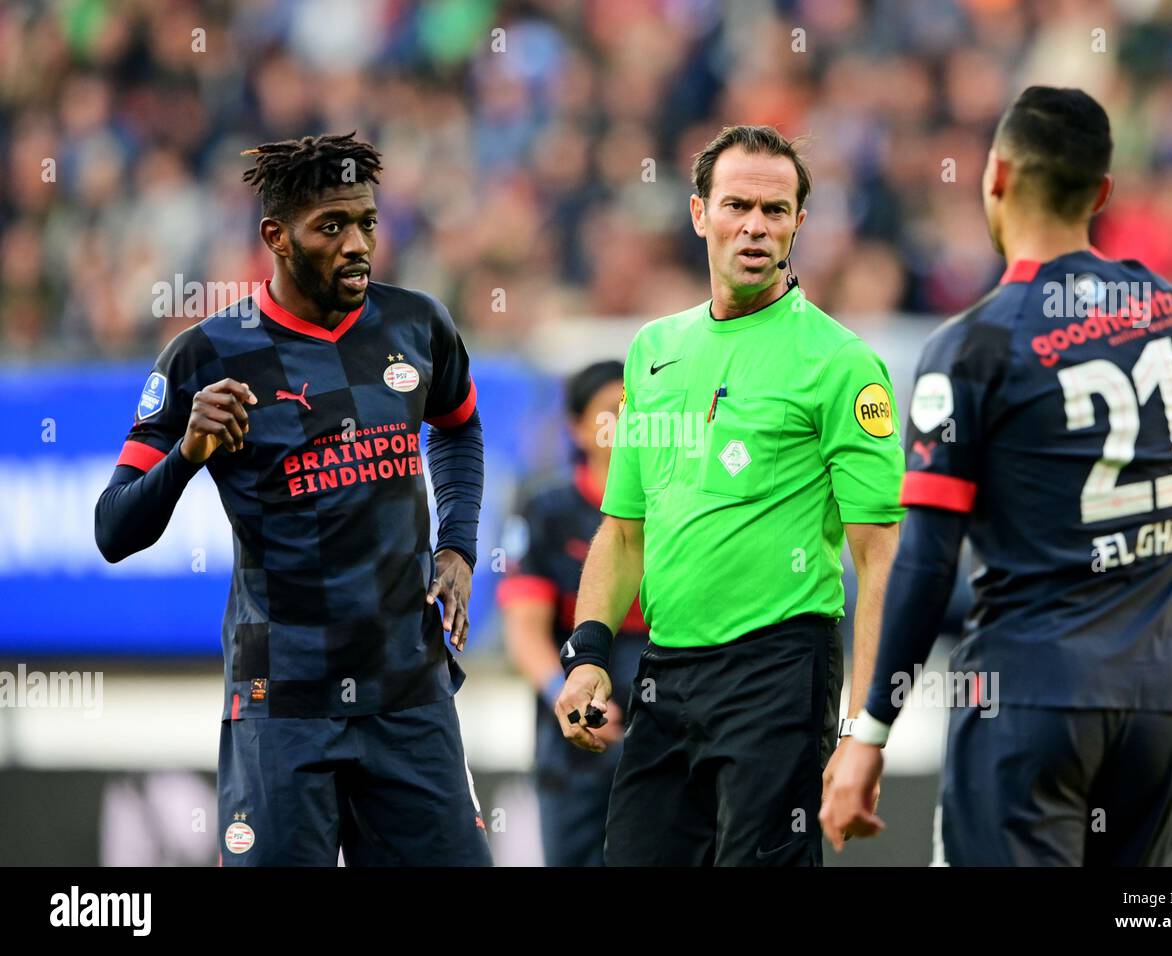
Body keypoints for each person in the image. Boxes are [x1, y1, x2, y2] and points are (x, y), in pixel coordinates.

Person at [821, 87, 1172, 866]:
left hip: (1030, 698)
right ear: (1101, 192)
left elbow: (926, 562)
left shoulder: (973, 347)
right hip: (1166, 702)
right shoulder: (1165, 309)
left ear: (994, 176)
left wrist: (870, 730)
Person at [94, 132, 491, 866]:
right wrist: (186, 453)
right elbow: (115, 529)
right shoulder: (204, 356)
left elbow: (460, 431)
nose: (358, 244)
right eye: (331, 227)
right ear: (276, 237)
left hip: (408, 690)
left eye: (368, 222)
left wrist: (458, 545)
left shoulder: (417, 324)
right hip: (283, 702)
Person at [553, 125, 906, 866]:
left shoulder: (842, 364)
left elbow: (881, 562)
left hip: (780, 668)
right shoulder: (653, 351)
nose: (754, 226)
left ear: (799, 224)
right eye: (737, 205)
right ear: (698, 213)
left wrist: (861, 734)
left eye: (775, 211)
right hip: (664, 670)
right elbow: (622, 533)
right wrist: (587, 653)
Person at [498, 360, 649, 866]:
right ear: (576, 428)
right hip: (574, 736)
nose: (625, 424)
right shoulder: (546, 511)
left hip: (664, 724)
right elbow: (525, 630)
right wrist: (566, 699)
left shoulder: (679, 505)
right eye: (611, 413)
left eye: (635, 411)